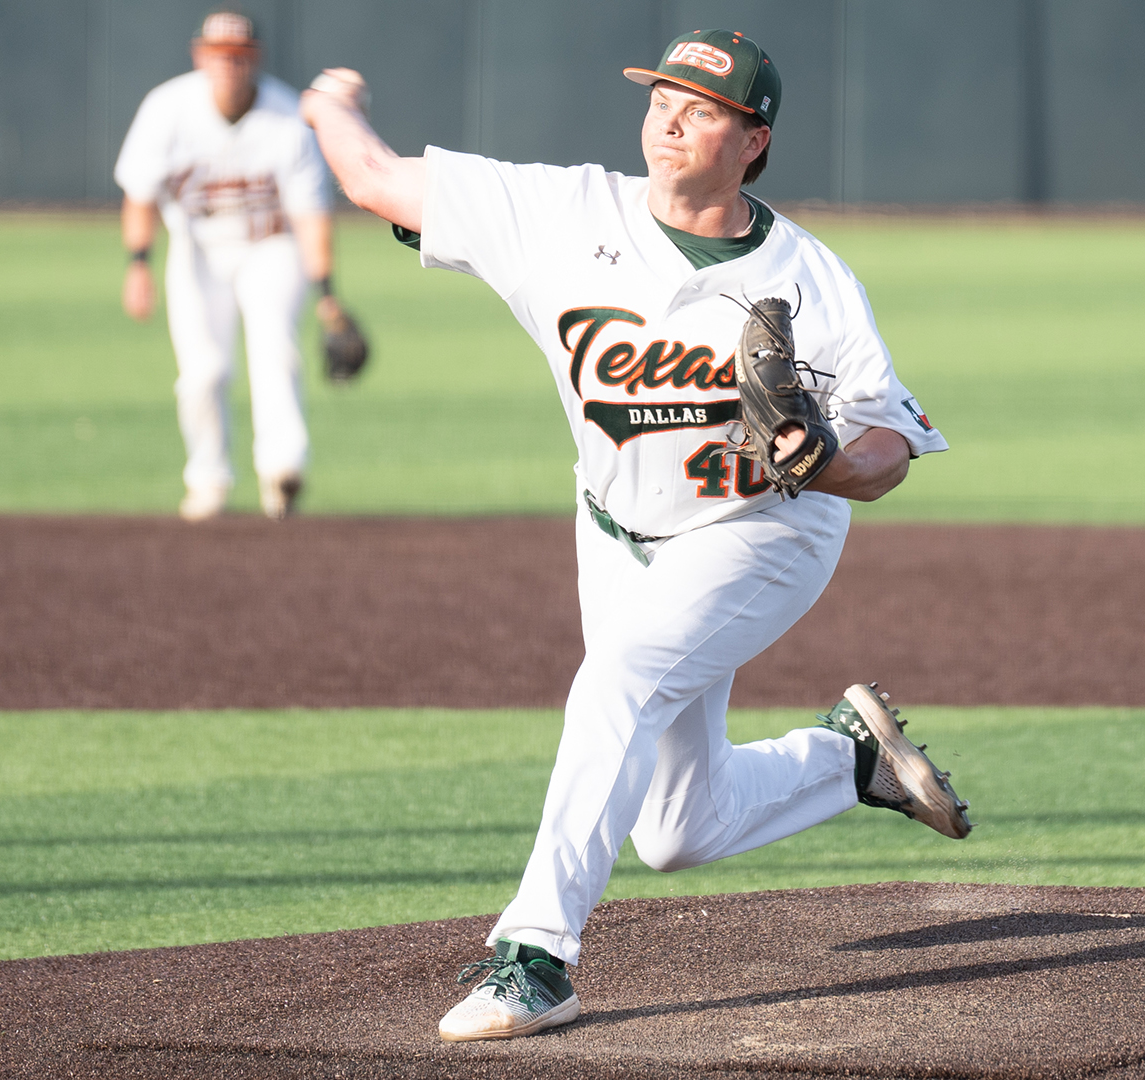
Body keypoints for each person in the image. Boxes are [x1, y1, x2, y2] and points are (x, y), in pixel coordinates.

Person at [303, 28, 971, 1041]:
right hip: (614, 529)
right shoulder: (562, 211)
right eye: (662, 97)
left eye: (700, 109)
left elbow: (886, 451)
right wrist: (327, 104)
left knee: (617, 679)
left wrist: (825, 461)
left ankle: (536, 959)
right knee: (676, 829)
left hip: (761, 531)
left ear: (753, 140)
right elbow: (371, 177)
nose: (668, 118)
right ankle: (849, 762)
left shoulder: (812, 278)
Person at [114, 10, 351, 522]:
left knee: (275, 348)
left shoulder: (288, 118)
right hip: (196, 245)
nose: (228, 64)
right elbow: (139, 194)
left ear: (255, 59)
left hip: (271, 246)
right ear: (200, 55)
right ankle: (208, 480)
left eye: (239, 55)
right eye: (219, 54)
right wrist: (138, 265)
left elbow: (311, 217)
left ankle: (282, 471)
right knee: (202, 371)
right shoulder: (168, 108)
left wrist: (327, 293)